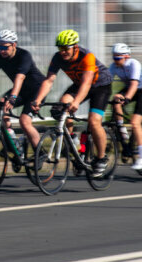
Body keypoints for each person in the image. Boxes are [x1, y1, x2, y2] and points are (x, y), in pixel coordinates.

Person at [31, 30, 113, 177]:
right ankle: (73, 140)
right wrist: (38, 99)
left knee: (94, 122)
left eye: (66, 48)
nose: (62, 52)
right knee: (62, 106)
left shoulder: (87, 56)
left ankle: (101, 158)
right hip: (79, 84)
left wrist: (76, 102)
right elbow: (49, 80)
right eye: (60, 48)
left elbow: (87, 83)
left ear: (75, 46)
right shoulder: (57, 58)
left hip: (100, 86)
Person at [0, 29, 45, 153]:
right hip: (21, 90)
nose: (1, 50)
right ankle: (13, 141)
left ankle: (41, 153)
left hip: (37, 90)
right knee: (2, 105)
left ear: (14, 45)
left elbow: (20, 77)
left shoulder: (24, 55)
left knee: (24, 121)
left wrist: (12, 97)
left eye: (5, 47)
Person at [108, 43, 142, 171]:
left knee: (135, 123)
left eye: (117, 58)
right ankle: (123, 133)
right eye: (113, 57)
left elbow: (133, 85)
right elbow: (106, 84)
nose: (115, 60)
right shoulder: (113, 66)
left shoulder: (134, 64)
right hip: (129, 90)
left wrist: (126, 99)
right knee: (115, 99)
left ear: (126, 57)